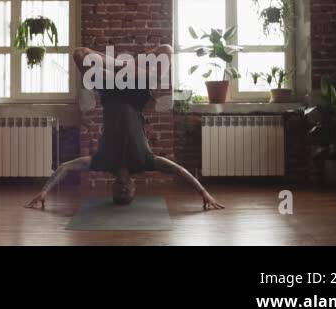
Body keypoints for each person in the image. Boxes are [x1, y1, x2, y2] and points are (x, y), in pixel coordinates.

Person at [25, 45, 224, 211]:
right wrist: (204, 193)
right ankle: (127, 68)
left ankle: (124, 67)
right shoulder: (145, 162)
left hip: (110, 90)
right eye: (127, 193)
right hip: (137, 92)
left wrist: (44, 192)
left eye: (118, 194)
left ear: (112, 188)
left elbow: (65, 167)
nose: (123, 190)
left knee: (79, 54)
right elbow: (179, 170)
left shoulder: (102, 162)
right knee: (167, 50)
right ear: (133, 187)